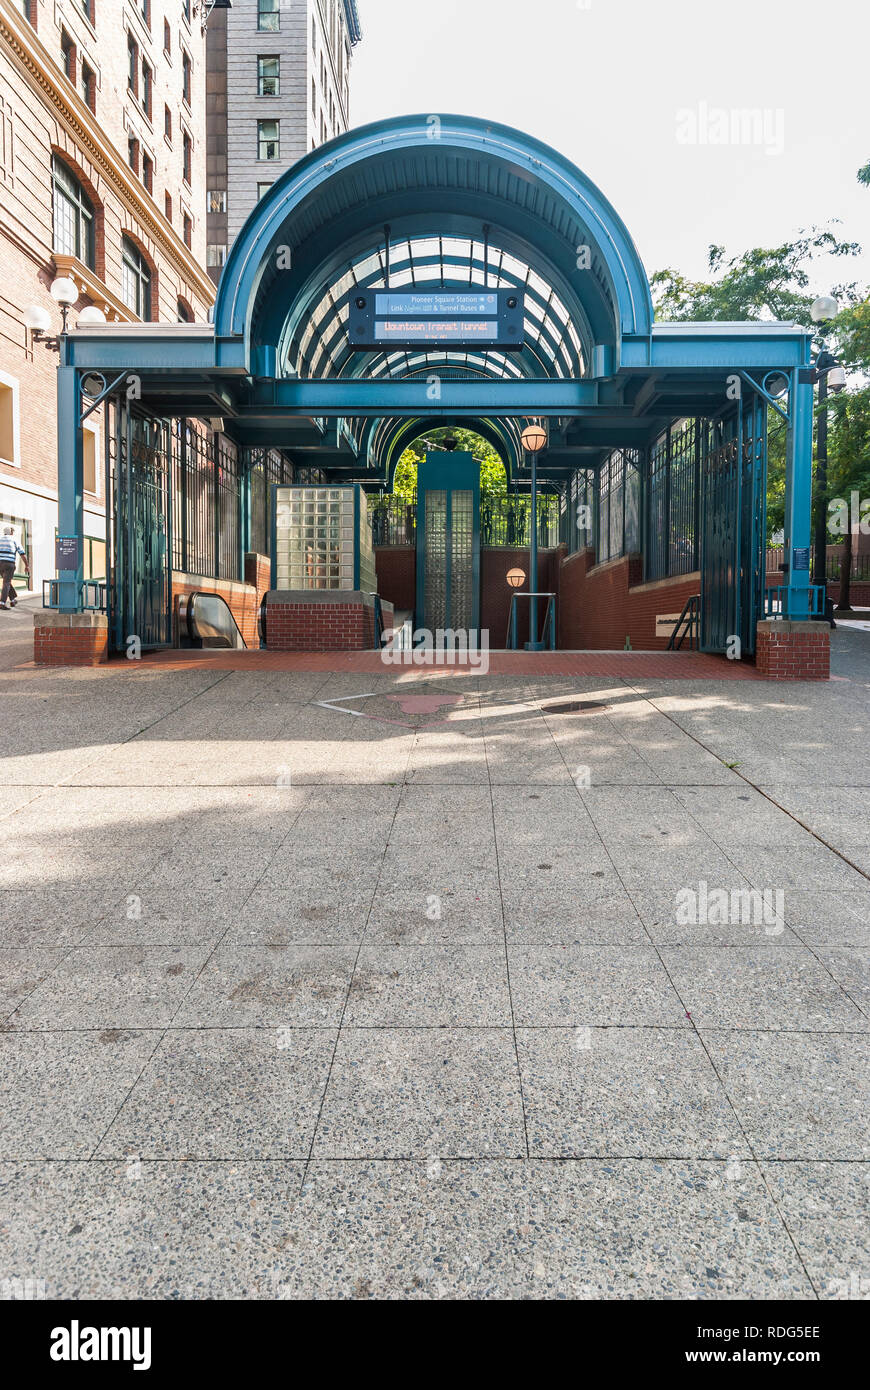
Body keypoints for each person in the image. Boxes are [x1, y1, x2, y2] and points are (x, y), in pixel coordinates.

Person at [0, 527, 28, 609]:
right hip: (9, 564)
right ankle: (2, 603)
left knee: (6, 582)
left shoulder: (0, 539)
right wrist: (27, 565)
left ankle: (12, 600)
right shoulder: (14, 540)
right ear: (11, 533)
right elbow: (22, 553)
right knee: (6, 583)